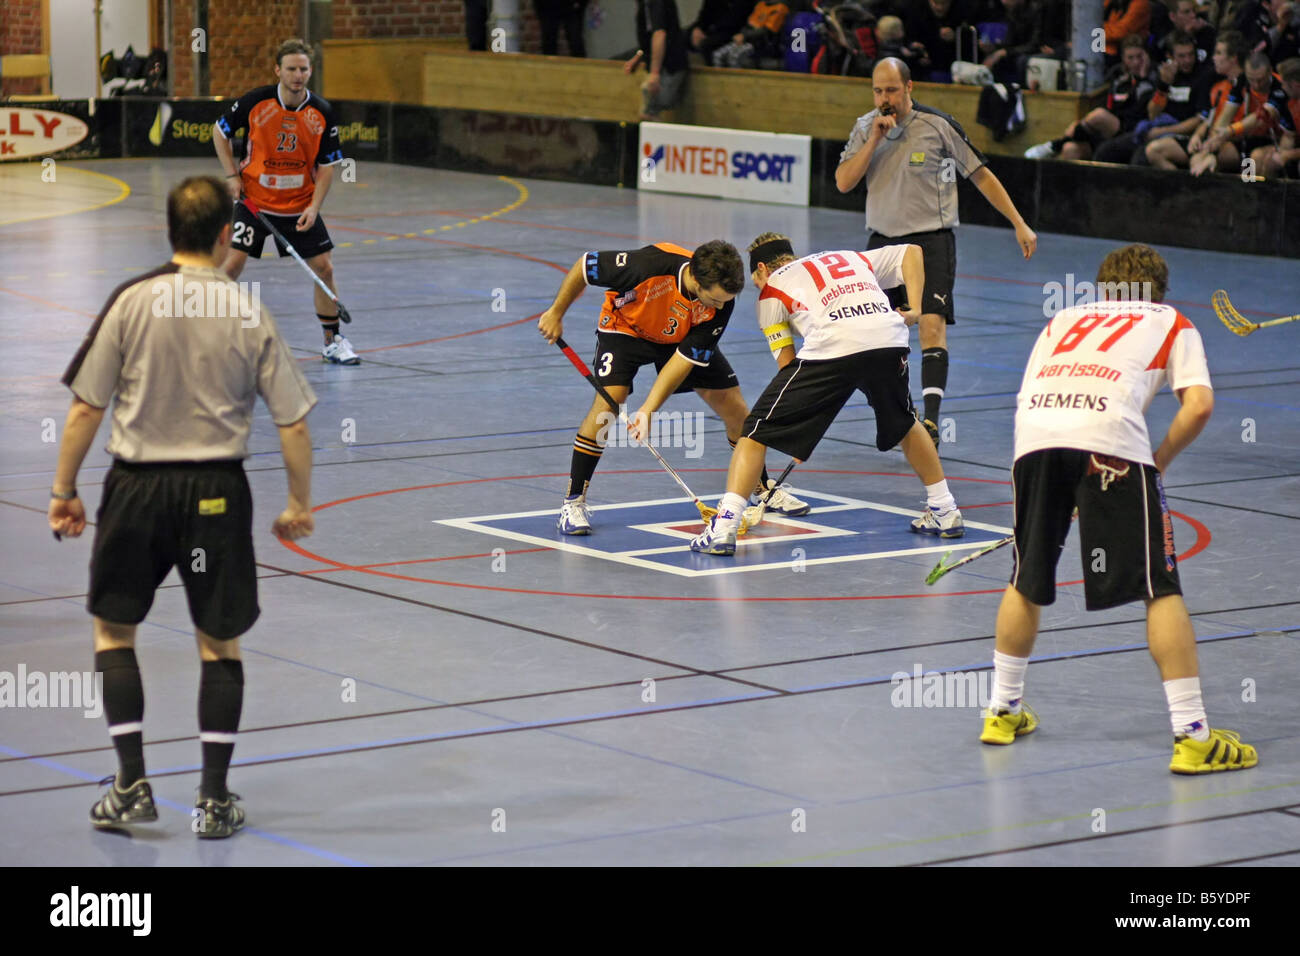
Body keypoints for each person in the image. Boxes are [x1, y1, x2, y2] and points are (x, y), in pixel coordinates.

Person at [48, 176, 318, 837]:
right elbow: (294, 423)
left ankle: (130, 782)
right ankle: (215, 799)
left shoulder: (132, 300)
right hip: (216, 496)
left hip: (137, 490)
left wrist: (64, 492)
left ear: (167, 231)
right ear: (227, 233)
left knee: (115, 631)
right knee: (218, 642)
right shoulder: (247, 310)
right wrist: (297, 503)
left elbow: (87, 405)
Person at [979, 244, 1258, 775]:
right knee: (1159, 586)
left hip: (1035, 440)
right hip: (1112, 447)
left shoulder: (1063, 318)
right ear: (1159, 291)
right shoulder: (1171, 321)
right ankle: (1194, 735)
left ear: (1103, 288)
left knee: (1025, 577)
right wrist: (1156, 462)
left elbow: (1032, 393)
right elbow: (1198, 405)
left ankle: (1001, 710)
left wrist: (1066, 475)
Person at [690, 233, 965, 555]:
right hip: (889, 338)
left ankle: (723, 527)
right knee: (906, 423)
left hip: (833, 346)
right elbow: (913, 252)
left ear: (762, 269)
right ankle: (945, 511)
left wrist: (803, 422)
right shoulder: (849, 255)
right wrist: (916, 308)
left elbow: (788, 367)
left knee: (753, 431)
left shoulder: (770, 292)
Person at [537, 240, 808, 534]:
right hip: (625, 328)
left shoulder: (721, 301)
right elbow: (585, 264)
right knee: (608, 406)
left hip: (680, 333)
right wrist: (556, 312)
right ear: (696, 279)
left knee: (736, 410)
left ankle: (760, 487)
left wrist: (649, 410)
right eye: (714, 300)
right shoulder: (644, 267)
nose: (720, 307)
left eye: (724, 301)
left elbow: (681, 362)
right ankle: (573, 501)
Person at [836, 57, 1038, 448]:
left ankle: (930, 422)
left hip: (931, 240)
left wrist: (1018, 221)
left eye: (892, 90)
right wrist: (875, 139)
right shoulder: (865, 128)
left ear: (909, 88)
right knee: (874, 335)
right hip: (882, 245)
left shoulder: (937, 125)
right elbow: (844, 182)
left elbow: (980, 173)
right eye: (878, 91)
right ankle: (897, 415)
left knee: (930, 325)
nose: (884, 98)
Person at [213, 38, 356, 365]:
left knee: (324, 268)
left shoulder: (322, 112)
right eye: (291, 68)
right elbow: (219, 132)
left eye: (303, 69)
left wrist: (314, 207)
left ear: (310, 71)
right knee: (231, 266)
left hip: (298, 206)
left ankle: (333, 341)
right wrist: (232, 176)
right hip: (254, 205)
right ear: (278, 70)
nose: (297, 75)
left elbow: (327, 166)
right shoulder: (255, 102)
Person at [626, 0, 690, 121]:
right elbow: (647, 39)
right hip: (659, 64)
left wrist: (655, 72)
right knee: (647, 109)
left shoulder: (656, 3)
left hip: (670, 65)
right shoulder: (643, 4)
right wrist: (638, 56)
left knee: (653, 104)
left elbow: (659, 34)